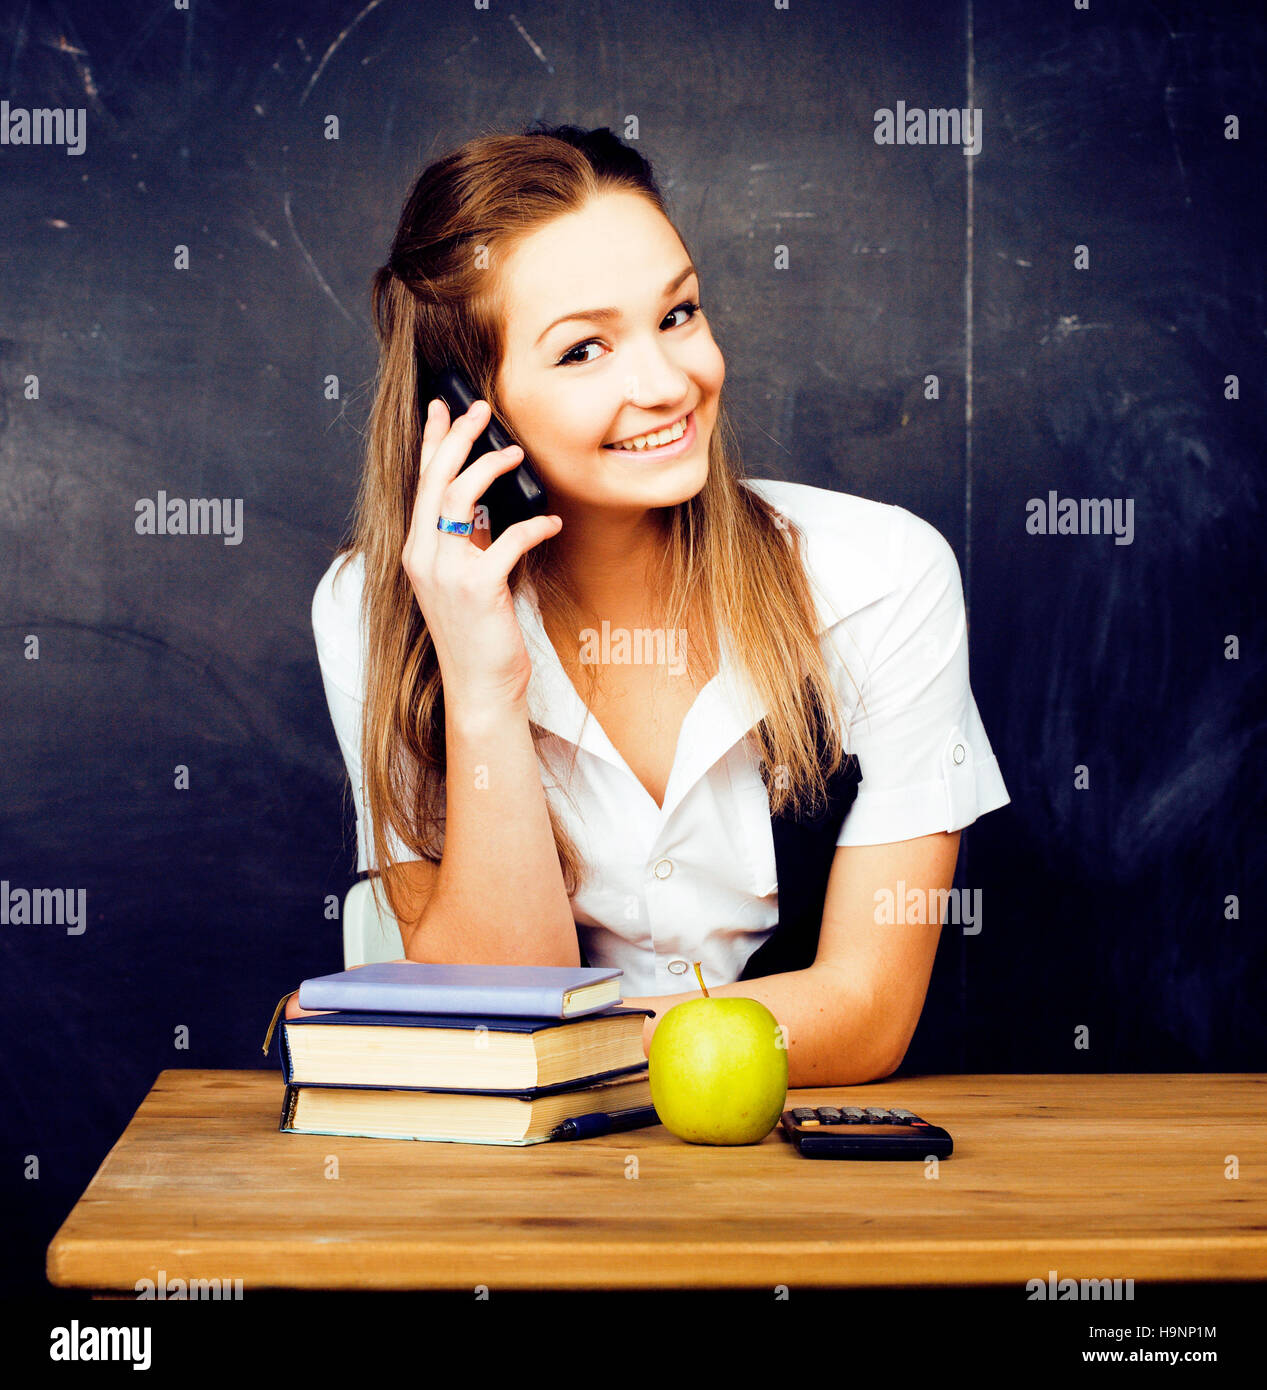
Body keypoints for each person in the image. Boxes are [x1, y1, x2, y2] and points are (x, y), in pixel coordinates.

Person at [287, 123, 1010, 1087]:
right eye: (583, 349)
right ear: (468, 409)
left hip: (795, 1162)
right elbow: (497, 991)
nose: (669, 384)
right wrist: (480, 679)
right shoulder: (373, 611)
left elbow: (865, 1014)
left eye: (677, 316)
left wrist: (568, 1039)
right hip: (524, 1186)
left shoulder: (882, 577)